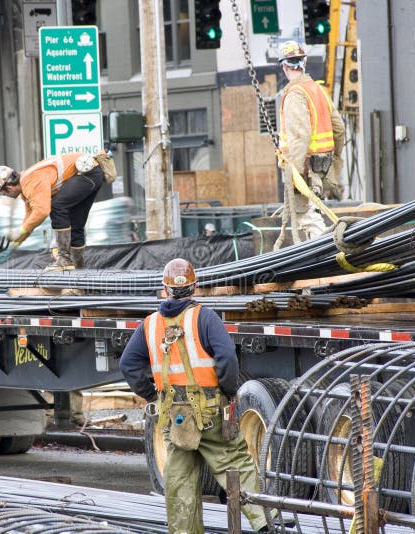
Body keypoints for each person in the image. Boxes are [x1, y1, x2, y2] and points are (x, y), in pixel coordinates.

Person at [119, 258, 270, 534]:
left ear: (165, 289)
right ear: (194, 287)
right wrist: (228, 391)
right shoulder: (205, 318)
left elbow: (128, 365)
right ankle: (264, 522)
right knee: (234, 461)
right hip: (210, 411)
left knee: (180, 479)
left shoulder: (149, 325)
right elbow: (227, 358)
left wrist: (152, 396)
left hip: (175, 417)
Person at [276, 40, 345, 246]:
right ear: (304, 62)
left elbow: (300, 136)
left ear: (285, 67)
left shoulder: (294, 95)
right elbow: (339, 128)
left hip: (305, 167)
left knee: (305, 214)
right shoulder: (318, 90)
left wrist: (294, 175)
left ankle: (326, 251)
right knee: (312, 210)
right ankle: (324, 249)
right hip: (322, 165)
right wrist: (335, 161)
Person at [0, 152, 105, 270]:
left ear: (9, 187)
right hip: (91, 175)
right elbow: (30, 220)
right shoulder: (26, 188)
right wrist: (14, 245)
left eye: (3, 193)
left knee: (57, 206)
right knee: (76, 223)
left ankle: (64, 260)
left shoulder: (30, 181)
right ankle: (78, 266)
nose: (5, 196)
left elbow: (42, 211)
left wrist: (20, 230)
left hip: (88, 173)